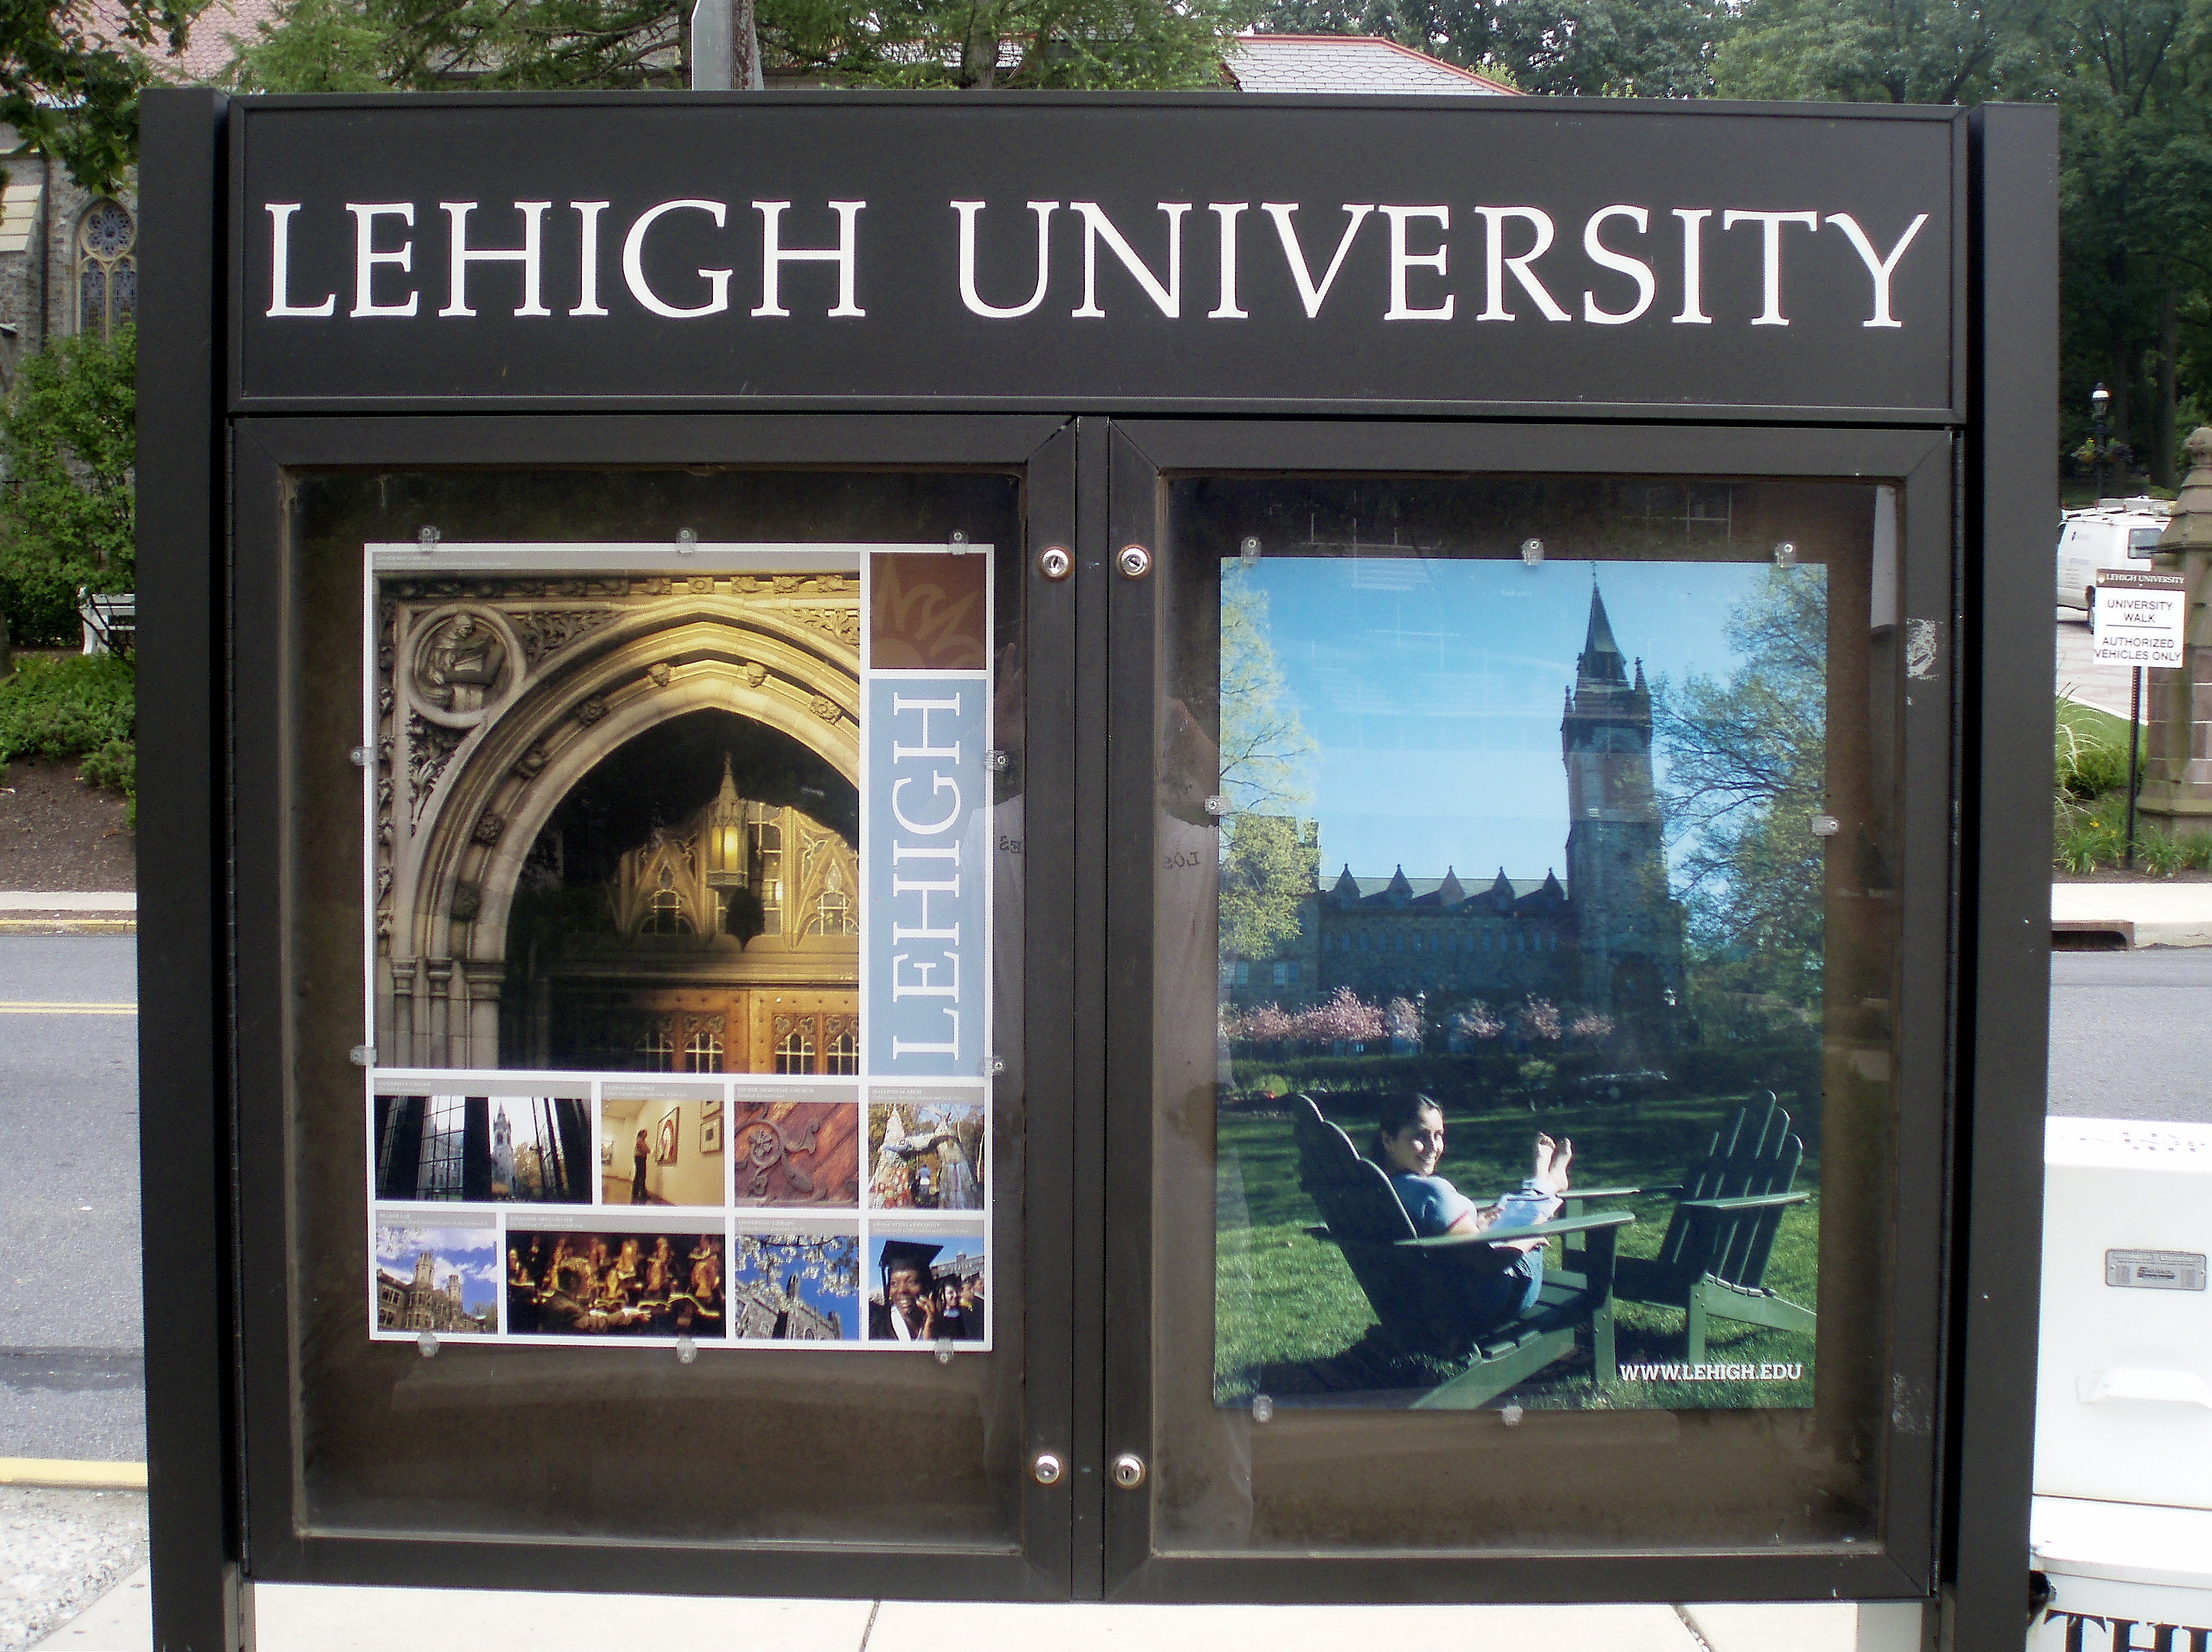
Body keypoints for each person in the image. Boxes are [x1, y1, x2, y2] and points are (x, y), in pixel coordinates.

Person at [1371, 1093, 1574, 1327]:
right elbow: (1488, 1263)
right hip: (1488, 1302)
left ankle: (1541, 1182)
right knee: (1533, 1214)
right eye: (1420, 1136)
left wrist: (1476, 1226)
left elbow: (1443, 1246)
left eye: (1438, 1135)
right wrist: (1534, 1234)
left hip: (1421, 1305)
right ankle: (1548, 1182)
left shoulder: (1378, 1190)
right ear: (1388, 1140)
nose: (1434, 1147)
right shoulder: (1431, 1193)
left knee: (1516, 1213)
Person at [869, 1239, 942, 1342]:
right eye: (894, 1283)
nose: (902, 1290)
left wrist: (930, 1338)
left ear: (926, 1287)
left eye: (911, 1282)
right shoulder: (875, 1328)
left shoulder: (944, 1328)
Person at [631, 1129, 649, 1204]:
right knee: (640, 1176)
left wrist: (647, 1149)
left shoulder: (642, 1141)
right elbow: (646, 1150)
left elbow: (647, 1150)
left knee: (640, 1176)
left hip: (641, 1158)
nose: (647, 1135)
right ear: (642, 1134)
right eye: (646, 1133)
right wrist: (646, 1149)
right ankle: (639, 1194)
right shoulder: (639, 1141)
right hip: (640, 1158)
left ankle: (640, 1193)